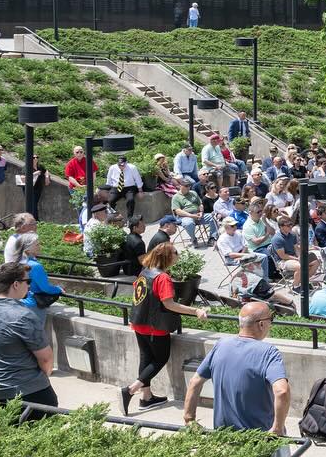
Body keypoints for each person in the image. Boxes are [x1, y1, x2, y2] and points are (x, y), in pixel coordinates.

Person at [121, 243, 208, 414]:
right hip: (155, 326)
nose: (178, 255)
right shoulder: (162, 278)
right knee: (160, 359)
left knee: (146, 358)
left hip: (139, 323)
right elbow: (169, 304)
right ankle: (131, 390)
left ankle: (146, 398)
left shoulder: (144, 272)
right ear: (167, 257)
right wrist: (196, 310)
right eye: (176, 252)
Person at [183, 301, 291, 434]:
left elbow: (194, 382)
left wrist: (189, 420)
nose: (271, 324)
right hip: (260, 438)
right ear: (261, 324)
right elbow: (282, 391)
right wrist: (277, 429)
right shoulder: (269, 352)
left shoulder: (220, 345)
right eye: (271, 319)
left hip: (224, 435)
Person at [0, 262, 57, 408]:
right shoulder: (23, 316)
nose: (29, 286)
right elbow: (46, 359)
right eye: (28, 281)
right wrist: (41, 379)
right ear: (16, 284)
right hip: (29, 393)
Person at [9, 232, 64, 310]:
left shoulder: (15, 263)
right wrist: (58, 289)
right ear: (27, 250)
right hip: (32, 306)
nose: (40, 247)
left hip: (17, 302)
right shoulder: (35, 266)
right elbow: (45, 288)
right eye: (37, 245)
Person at [171, 179, 215, 246]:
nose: (188, 187)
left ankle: (212, 237)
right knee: (189, 223)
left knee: (214, 217)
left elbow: (200, 204)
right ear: (180, 186)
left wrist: (201, 212)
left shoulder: (193, 193)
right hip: (185, 217)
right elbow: (177, 211)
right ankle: (193, 238)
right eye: (186, 186)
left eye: (189, 185)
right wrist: (191, 215)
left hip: (198, 215)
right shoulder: (176, 197)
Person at [107, 154, 142, 219]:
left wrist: (140, 191)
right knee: (110, 200)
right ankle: (115, 216)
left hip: (129, 188)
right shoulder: (112, 168)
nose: (121, 166)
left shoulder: (132, 167)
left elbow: (138, 179)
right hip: (116, 187)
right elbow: (109, 180)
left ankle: (129, 218)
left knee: (130, 200)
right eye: (119, 165)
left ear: (126, 163)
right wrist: (107, 190)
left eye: (122, 165)